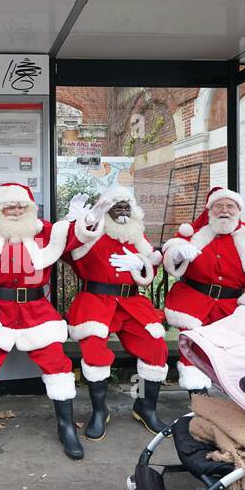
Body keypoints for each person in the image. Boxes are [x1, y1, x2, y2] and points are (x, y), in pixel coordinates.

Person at [0, 182, 86, 462]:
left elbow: (72, 241)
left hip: (37, 311)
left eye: (21, 205)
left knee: (58, 366)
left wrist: (80, 222)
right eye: (10, 205)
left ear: (29, 208)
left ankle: (66, 427)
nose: (16, 210)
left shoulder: (43, 230)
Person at [65, 186, 169, 437]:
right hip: (97, 301)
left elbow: (151, 266)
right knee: (93, 348)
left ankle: (144, 405)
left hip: (132, 303)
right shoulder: (92, 234)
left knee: (155, 347)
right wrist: (80, 223)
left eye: (126, 206)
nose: (122, 210)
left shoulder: (136, 236)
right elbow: (70, 250)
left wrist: (142, 265)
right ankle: (100, 411)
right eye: (116, 206)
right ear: (106, 210)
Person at [162, 186, 245, 394]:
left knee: (236, 351)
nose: (224, 210)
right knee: (194, 346)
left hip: (232, 306)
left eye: (230, 206)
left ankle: (238, 397)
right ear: (210, 210)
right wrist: (177, 254)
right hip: (193, 302)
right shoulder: (194, 233)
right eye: (218, 206)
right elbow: (170, 255)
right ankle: (198, 398)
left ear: (239, 209)